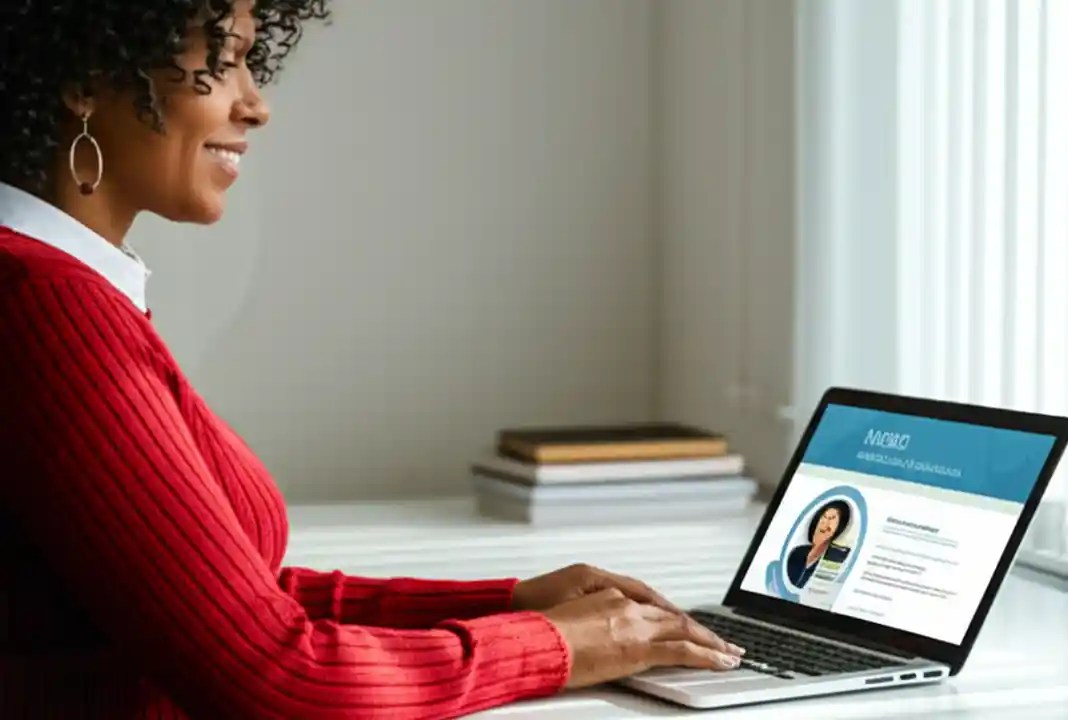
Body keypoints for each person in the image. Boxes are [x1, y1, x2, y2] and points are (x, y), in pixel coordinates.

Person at [0, 2, 743, 718]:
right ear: (87, 79)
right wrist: (557, 646)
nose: (256, 105)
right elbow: (280, 680)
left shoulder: (55, 288)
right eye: (224, 61)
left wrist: (510, 602)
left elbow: (232, 600)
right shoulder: (47, 305)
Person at [786, 501, 852, 588]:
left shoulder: (838, 557)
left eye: (831, 518)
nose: (825, 522)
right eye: (824, 517)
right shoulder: (797, 552)